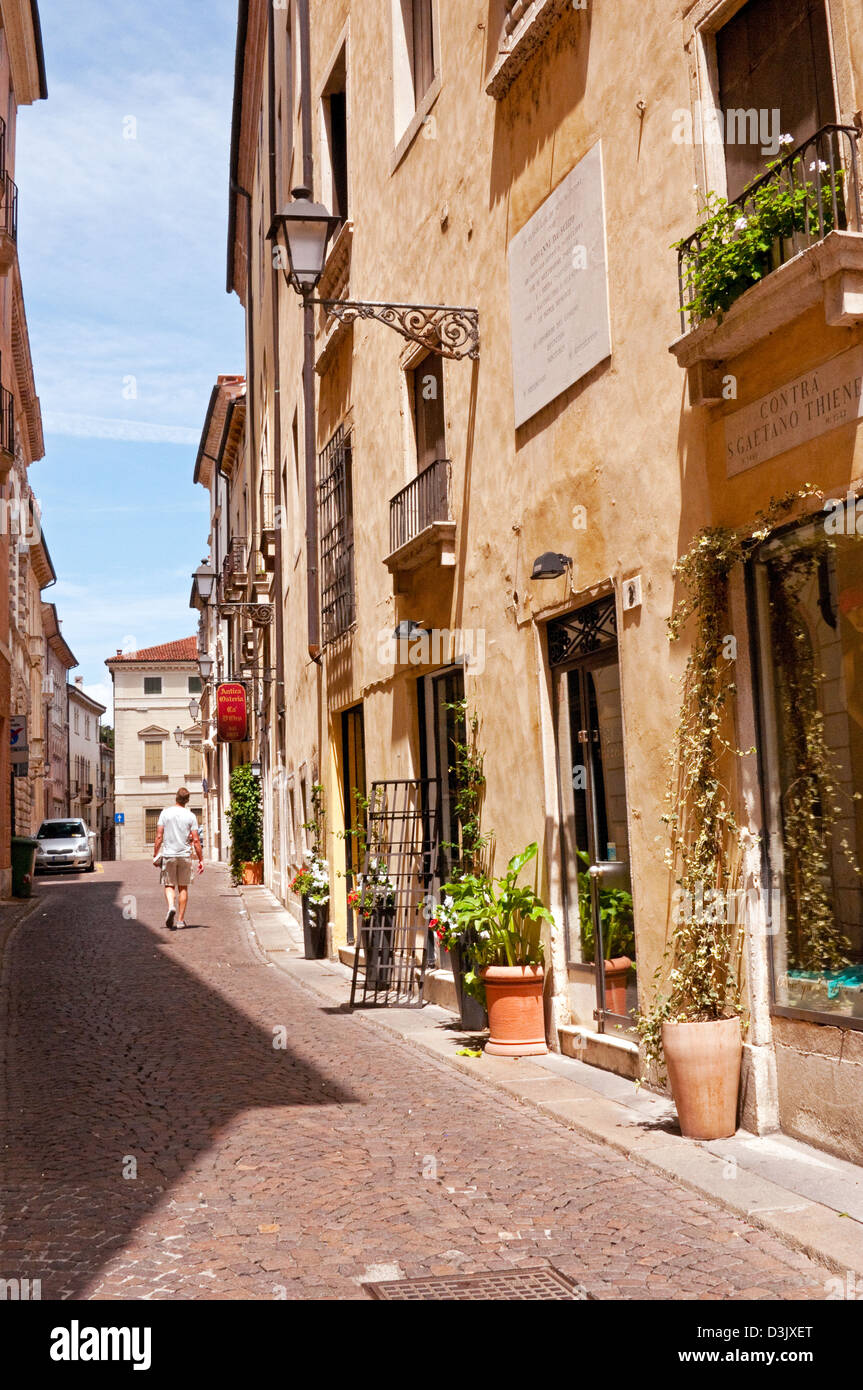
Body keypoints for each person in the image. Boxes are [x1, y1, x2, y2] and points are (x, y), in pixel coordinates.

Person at [153, 788, 203, 930]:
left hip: (169, 854)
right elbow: (196, 840)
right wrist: (201, 860)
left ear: (176, 798)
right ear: (187, 800)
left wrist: (155, 854)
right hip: (184, 855)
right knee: (183, 887)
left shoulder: (165, 813)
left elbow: (158, 837)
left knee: (169, 885)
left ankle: (171, 907)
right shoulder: (191, 816)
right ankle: (181, 921)